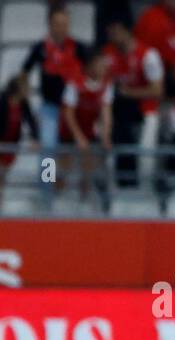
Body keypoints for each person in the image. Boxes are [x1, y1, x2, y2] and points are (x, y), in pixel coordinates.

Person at [22, 6, 87, 192]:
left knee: (79, 147)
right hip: (50, 107)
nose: (61, 28)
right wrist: (24, 94)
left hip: (74, 109)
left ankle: (78, 191)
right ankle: (46, 189)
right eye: (57, 24)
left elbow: (90, 73)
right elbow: (23, 74)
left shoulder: (78, 48)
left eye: (65, 24)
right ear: (49, 25)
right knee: (48, 147)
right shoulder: (40, 48)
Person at [103, 20, 165, 189]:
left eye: (115, 31)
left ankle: (146, 192)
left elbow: (157, 90)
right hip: (120, 114)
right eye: (110, 33)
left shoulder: (148, 55)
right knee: (111, 155)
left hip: (146, 111)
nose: (113, 37)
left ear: (126, 31)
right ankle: (115, 194)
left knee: (145, 155)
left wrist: (128, 93)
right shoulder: (108, 55)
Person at [60, 49, 114, 202]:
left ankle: (83, 200)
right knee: (62, 169)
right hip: (68, 130)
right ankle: (54, 199)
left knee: (88, 167)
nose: (104, 68)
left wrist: (106, 136)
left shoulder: (106, 85)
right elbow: (68, 113)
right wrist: (78, 137)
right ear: (90, 66)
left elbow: (106, 112)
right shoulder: (75, 83)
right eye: (100, 65)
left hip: (89, 129)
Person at [0, 75, 39, 199]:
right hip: (2, 141)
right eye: (26, 88)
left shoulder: (23, 103)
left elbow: (31, 121)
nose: (28, 90)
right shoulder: (3, 100)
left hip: (12, 142)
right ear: (19, 88)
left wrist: (35, 138)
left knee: (3, 173)